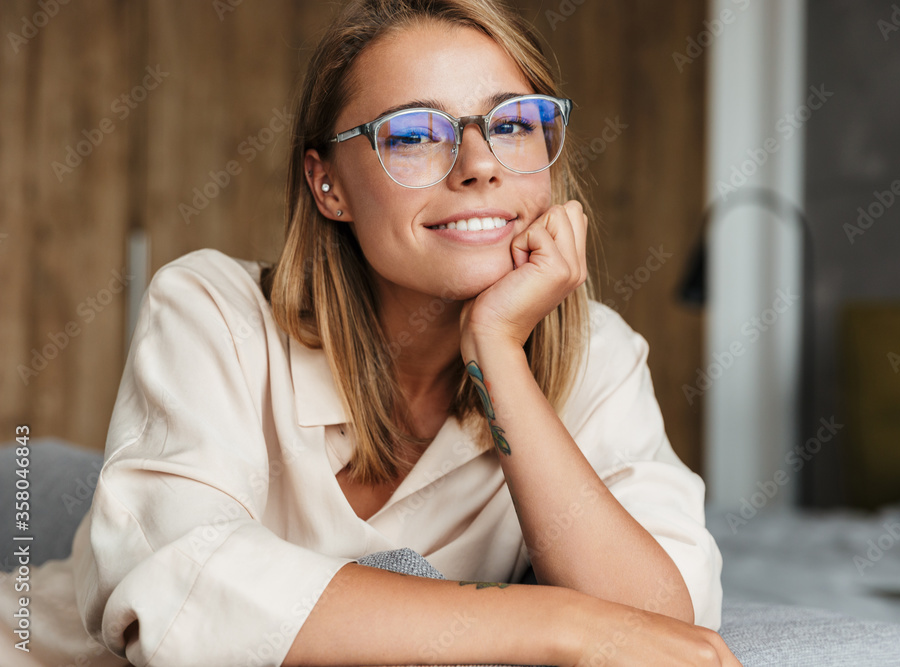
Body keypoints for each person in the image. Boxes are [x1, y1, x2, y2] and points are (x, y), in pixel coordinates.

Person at [0, 0, 737, 665]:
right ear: (328, 185)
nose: (480, 165)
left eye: (512, 123)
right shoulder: (211, 310)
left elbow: (659, 627)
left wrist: (498, 355)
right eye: (415, 134)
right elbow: (179, 581)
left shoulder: (597, 357)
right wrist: (557, 622)